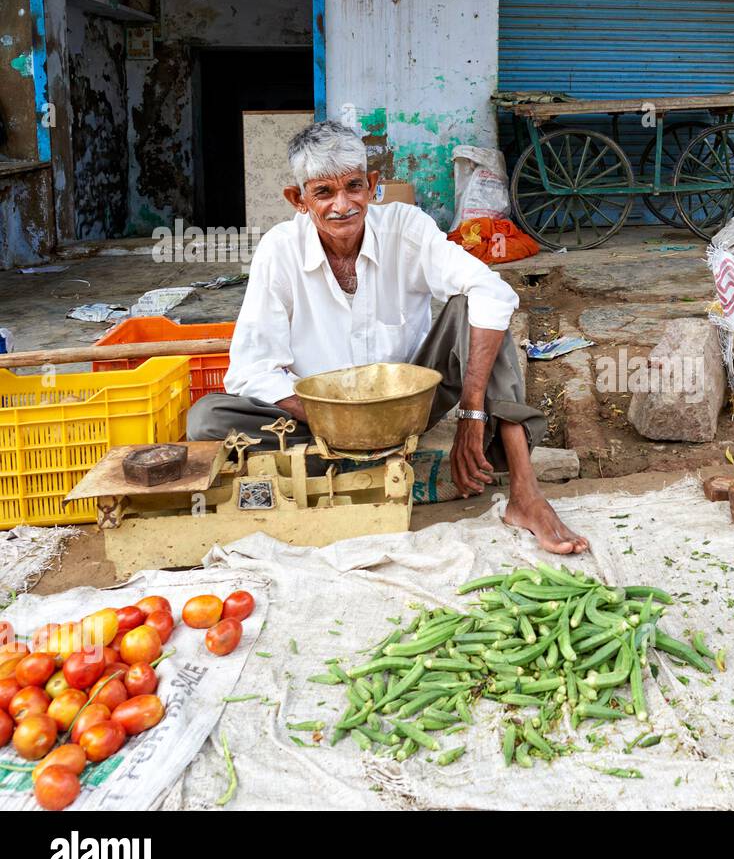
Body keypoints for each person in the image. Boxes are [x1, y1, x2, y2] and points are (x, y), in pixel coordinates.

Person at [188, 120, 589, 555]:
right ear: (298, 200)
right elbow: (253, 369)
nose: (342, 205)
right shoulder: (278, 250)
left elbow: (492, 291)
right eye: (323, 192)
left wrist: (472, 415)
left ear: (372, 185)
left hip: (410, 406)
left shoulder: (406, 228)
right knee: (207, 419)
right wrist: (341, 421)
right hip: (322, 419)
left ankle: (525, 495)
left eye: (354, 186)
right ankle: (368, 459)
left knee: (478, 308)